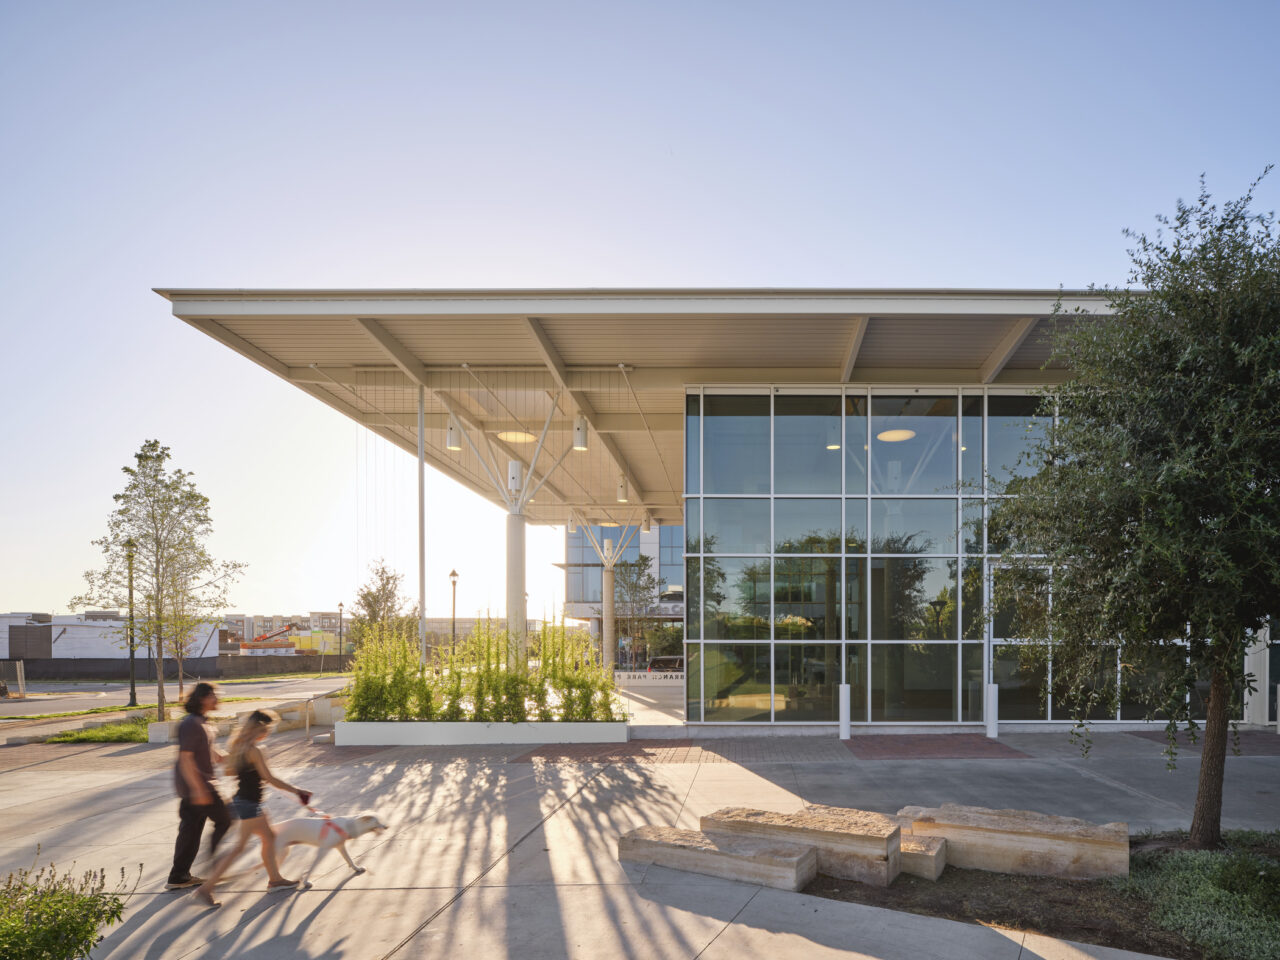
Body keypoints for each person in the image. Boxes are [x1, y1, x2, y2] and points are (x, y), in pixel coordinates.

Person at [196, 709, 309, 906]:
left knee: (270, 838)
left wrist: (251, 772)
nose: (269, 733)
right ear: (261, 729)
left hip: (244, 801)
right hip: (249, 804)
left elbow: (230, 772)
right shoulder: (254, 750)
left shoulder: (238, 745)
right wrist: (297, 790)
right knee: (239, 848)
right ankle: (206, 888)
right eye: (268, 729)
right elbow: (270, 778)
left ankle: (275, 880)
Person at [166, 682, 231, 889]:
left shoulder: (202, 722)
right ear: (203, 698)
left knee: (190, 830)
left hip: (198, 786)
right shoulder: (192, 724)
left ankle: (179, 876)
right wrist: (198, 790)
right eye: (214, 695)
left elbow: (210, 752)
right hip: (200, 786)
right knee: (226, 818)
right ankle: (215, 869)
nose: (218, 699)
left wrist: (232, 756)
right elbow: (185, 758)